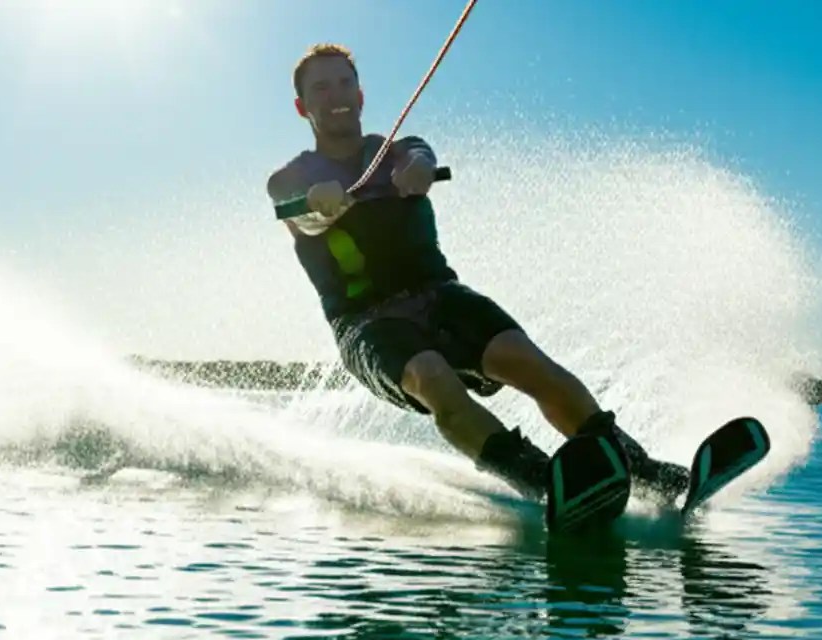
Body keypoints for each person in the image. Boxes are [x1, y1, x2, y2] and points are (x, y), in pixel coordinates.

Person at [266, 43, 687, 503]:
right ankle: (546, 484)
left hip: (439, 295)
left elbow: (419, 154)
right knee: (431, 375)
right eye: (321, 87)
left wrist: (418, 169)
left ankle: (639, 470)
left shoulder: (397, 151)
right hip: (366, 324)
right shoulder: (289, 179)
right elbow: (298, 211)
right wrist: (316, 203)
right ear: (302, 106)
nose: (336, 95)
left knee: (520, 356)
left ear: (362, 96)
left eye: (345, 83)